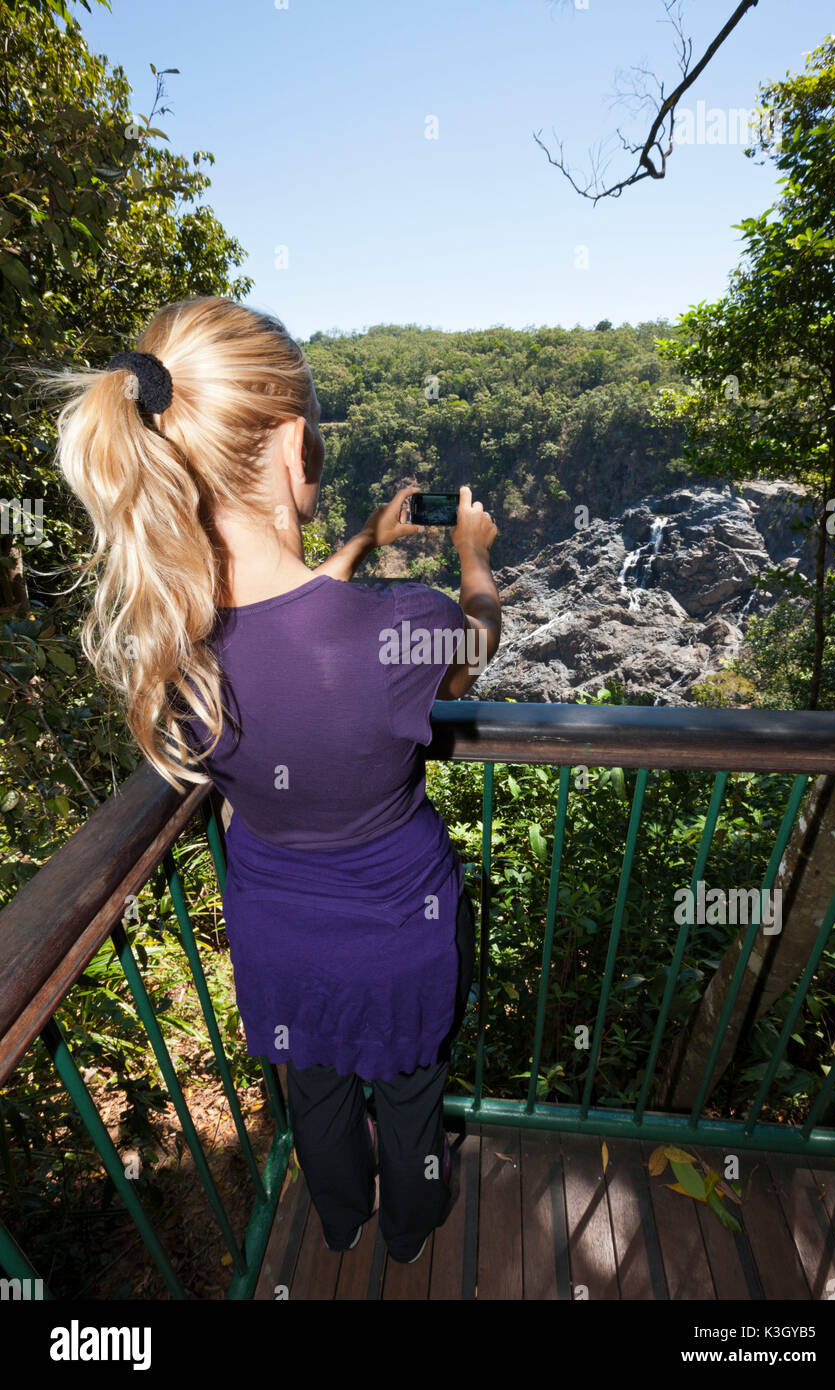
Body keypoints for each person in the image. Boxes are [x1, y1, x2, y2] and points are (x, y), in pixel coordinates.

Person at [42, 296, 502, 1267]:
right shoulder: (400, 629)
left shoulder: (173, 652)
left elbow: (287, 628)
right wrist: (470, 559)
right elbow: (476, 645)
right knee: (410, 1093)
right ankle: (412, 1228)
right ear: (294, 447)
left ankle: (337, 1216)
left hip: (277, 936)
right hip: (395, 938)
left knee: (318, 1090)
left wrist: (363, 544)